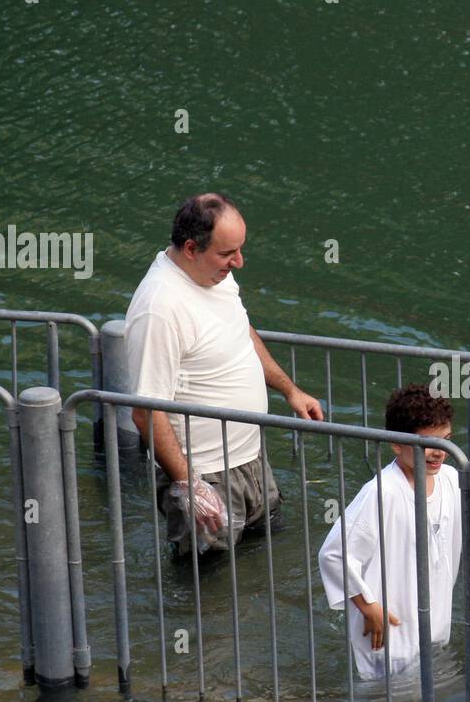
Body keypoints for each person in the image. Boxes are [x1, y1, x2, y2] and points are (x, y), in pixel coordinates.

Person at [125, 192, 324, 555]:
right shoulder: (160, 309)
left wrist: (289, 389)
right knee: (210, 593)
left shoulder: (215, 275)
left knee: (270, 555)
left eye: (239, 250)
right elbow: (145, 411)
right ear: (190, 248)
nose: (239, 261)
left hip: (252, 459)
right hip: (206, 475)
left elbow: (240, 331)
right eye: (228, 253)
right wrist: (190, 487)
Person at [317, 385, 470, 680]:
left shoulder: (452, 480)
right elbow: (335, 554)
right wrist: (368, 607)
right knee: (387, 701)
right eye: (428, 443)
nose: (439, 453)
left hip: (435, 625)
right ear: (396, 443)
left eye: (446, 441)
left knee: (428, 693)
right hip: (387, 629)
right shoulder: (383, 492)